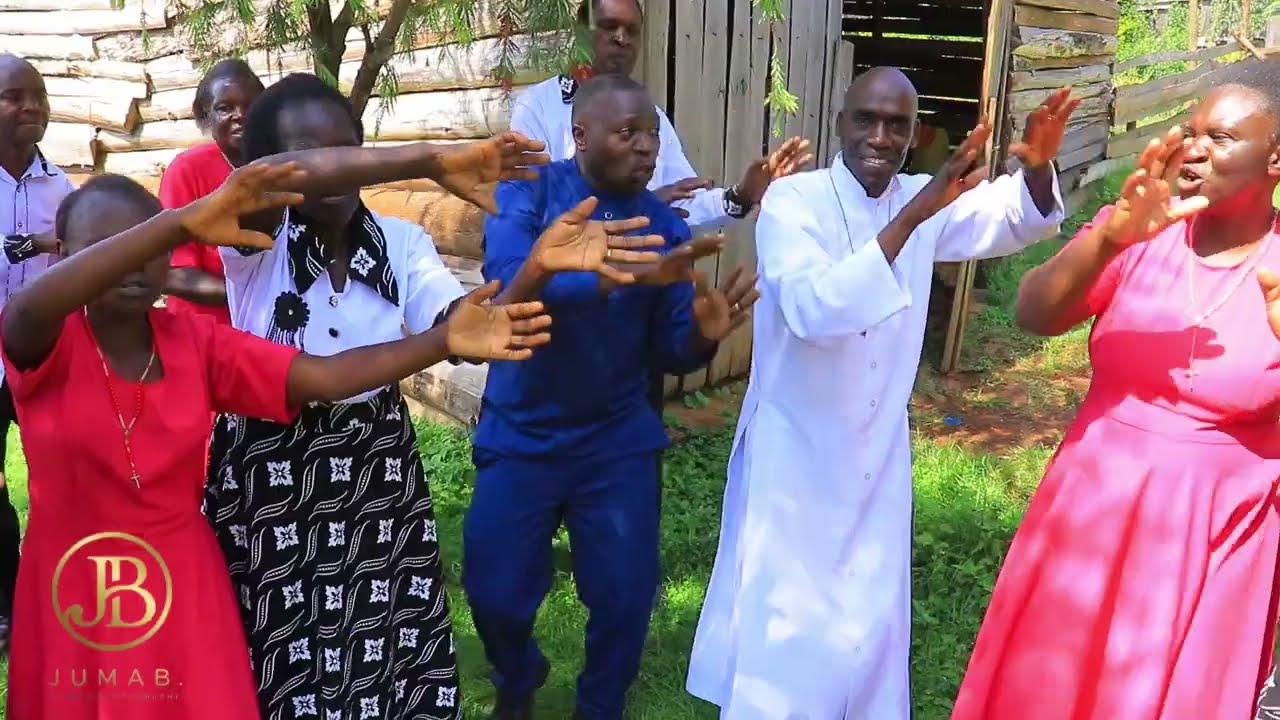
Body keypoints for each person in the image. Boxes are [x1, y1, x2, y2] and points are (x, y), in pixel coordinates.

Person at [0, 163, 553, 720]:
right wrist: (176, 222)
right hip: (72, 580)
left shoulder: (195, 343)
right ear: (62, 255)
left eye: (145, 244)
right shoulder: (41, 342)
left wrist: (442, 340)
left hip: (182, 577)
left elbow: (324, 377)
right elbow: (26, 307)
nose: (129, 262)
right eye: (106, 248)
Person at [201, 73, 637, 720]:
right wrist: (430, 159)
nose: (333, 169)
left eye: (344, 148)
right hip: (274, 467)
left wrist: (537, 267)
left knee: (382, 629)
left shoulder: (400, 243)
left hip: (374, 462)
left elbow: (466, 328)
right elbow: (283, 180)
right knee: (286, 639)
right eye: (310, 155)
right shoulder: (257, 242)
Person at [684, 67, 1075, 719]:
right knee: (788, 625)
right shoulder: (794, 201)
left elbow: (1014, 219)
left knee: (864, 619)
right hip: (796, 455)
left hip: (876, 455)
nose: (880, 136)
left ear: (915, 135)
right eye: (866, 119)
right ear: (841, 122)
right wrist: (917, 215)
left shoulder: (925, 196)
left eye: (897, 124)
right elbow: (813, 310)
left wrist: (1035, 168)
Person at [949, 60, 1280, 720]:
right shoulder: (1140, 232)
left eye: (1220, 138)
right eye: (1190, 132)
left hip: (1218, 533)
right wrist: (1107, 239)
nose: (1194, 149)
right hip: (1092, 511)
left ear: (1275, 159)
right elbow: (1034, 314)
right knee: (1049, 690)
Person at [463, 73, 756, 720]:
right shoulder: (529, 192)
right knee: (493, 591)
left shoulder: (662, 226)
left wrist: (701, 336)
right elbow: (504, 294)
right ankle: (518, 675)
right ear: (581, 135)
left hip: (615, 439)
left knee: (624, 595)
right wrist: (591, 274)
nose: (646, 147)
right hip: (522, 431)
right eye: (627, 133)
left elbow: (672, 350)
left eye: (651, 134)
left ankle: (600, 704)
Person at [507, 0, 812, 233]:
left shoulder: (652, 120)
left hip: (646, 287)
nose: (622, 39)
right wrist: (645, 206)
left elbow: (683, 201)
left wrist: (741, 196)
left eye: (632, 31)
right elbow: (530, 209)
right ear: (582, 33)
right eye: (609, 26)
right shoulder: (538, 107)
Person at [0, 53, 72, 645]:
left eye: (39, 97)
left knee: (60, 481)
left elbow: (81, 253)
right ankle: (6, 604)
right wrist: (41, 243)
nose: (31, 107)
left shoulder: (60, 186)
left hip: (43, 358)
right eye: (13, 96)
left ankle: (61, 598)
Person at [159, 58, 265, 324]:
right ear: (206, 116)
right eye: (225, 108)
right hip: (204, 329)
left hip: (272, 324)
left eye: (251, 106)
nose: (240, 115)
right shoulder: (187, 170)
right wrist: (257, 296)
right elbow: (177, 274)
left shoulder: (277, 166)